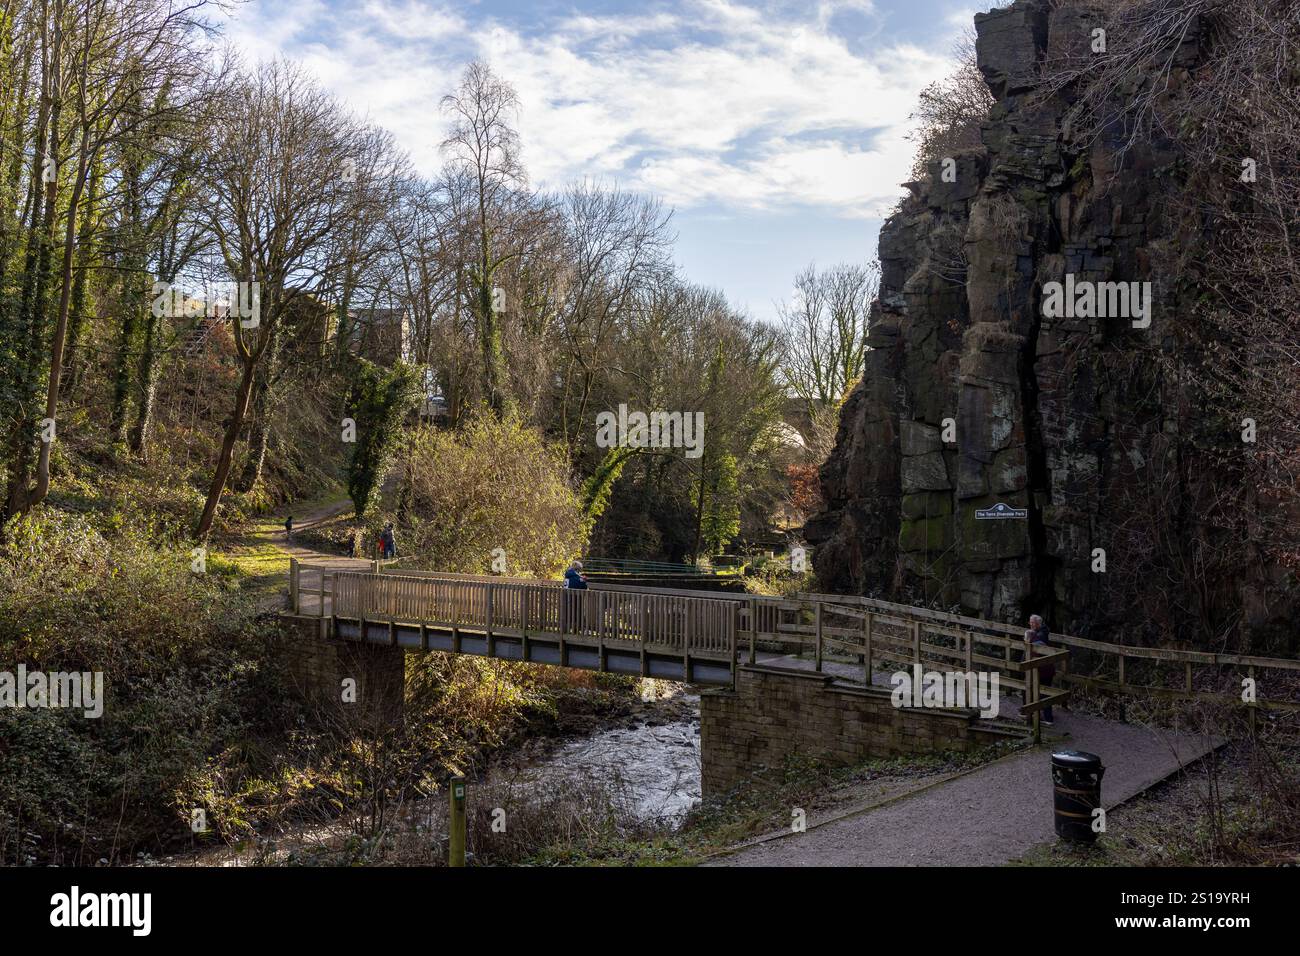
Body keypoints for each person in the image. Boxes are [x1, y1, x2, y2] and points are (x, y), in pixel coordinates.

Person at [1026, 613, 1055, 723]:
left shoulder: (1038, 639)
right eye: (1030, 622)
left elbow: (1032, 654)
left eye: (1033, 623)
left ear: (1038, 623)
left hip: (1042, 669)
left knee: (1042, 692)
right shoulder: (1038, 635)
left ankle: (1043, 717)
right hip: (1045, 668)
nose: (1031, 624)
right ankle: (1039, 714)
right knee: (1041, 691)